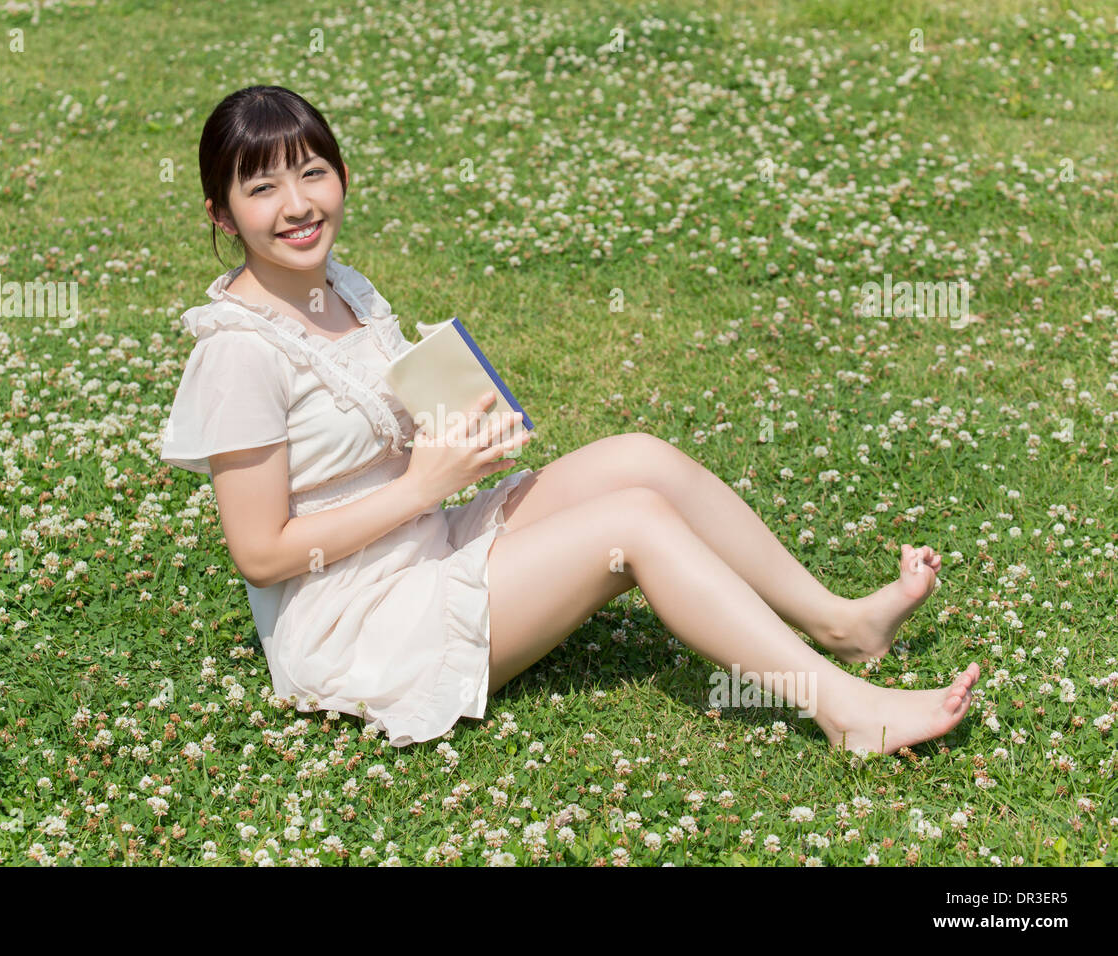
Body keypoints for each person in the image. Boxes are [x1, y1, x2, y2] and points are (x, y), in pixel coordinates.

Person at [160, 85, 980, 755]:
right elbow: (261, 554)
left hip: (425, 540)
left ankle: (842, 622)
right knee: (633, 523)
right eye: (261, 189)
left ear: (342, 175)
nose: (297, 205)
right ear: (222, 216)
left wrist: (460, 437)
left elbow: (379, 431)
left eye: (312, 173)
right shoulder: (238, 352)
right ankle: (847, 712)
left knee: (639, 459)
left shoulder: (341, 284)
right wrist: (422, 486)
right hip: (358, 623)